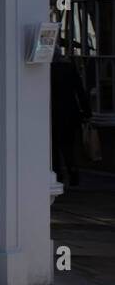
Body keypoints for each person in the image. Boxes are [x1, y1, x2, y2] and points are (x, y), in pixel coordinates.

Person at [51, 54, 90, 187]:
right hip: (70, 114)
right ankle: (73, 173)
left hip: (52, 115)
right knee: (69, 147)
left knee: (54, 148)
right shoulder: (70, 69)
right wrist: (87, 112)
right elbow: (80, 91)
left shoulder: (47, 71)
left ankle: (57, 175)